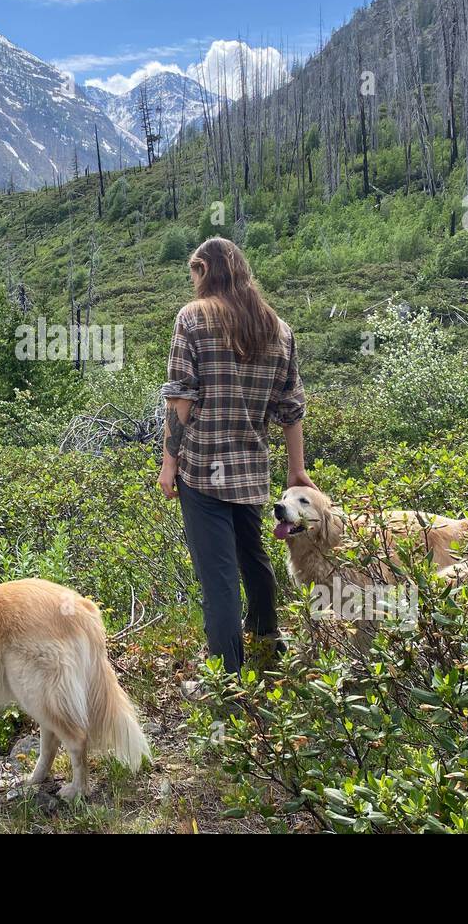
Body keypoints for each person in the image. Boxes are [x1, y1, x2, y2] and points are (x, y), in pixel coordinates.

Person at [158, 237, 316, 674]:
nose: (192, 285)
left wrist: (170, 464)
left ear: (205, 271)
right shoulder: (277, 328)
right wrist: (297, 469)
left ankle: (226, 679)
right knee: (255, 560)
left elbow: (181, 401)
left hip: (204, 470)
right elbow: (291, 408)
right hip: (251, 470)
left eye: (194, 275)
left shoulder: (191, 319)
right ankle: (268, 644)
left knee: (219, 578)